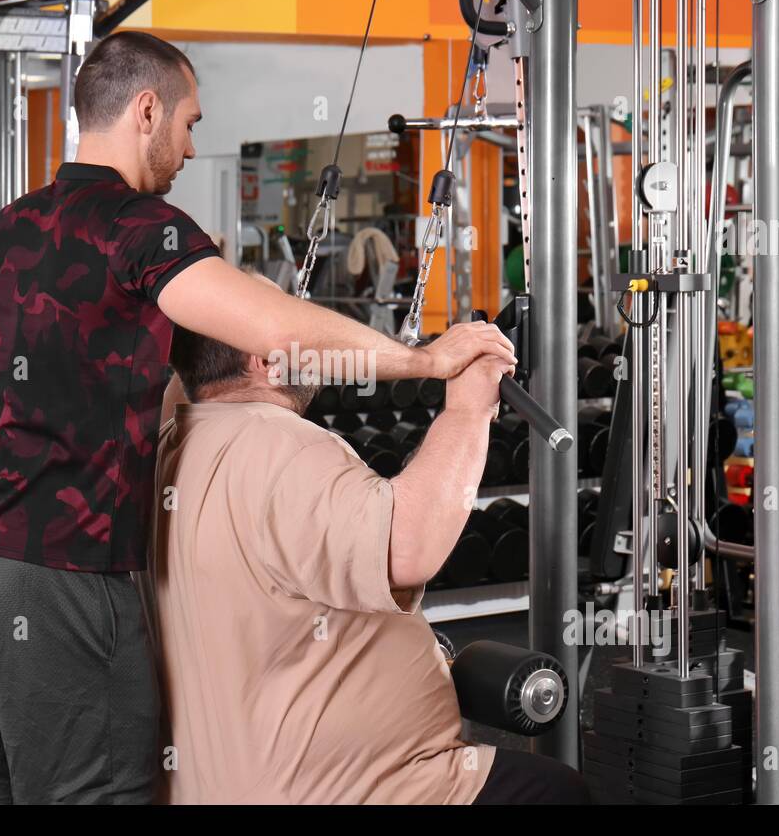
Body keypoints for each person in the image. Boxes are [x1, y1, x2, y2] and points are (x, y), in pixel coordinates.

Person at [0, 30, 516, 804]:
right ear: (147, 111)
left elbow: (87, 369)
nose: (186, 145)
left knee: (10, 792)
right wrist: (427, 361)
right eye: (189, 123)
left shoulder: (13, 223)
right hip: (60, 571)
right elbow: (272, 328)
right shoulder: (143, 225)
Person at [148, 277, 590, 804]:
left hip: (221, 783)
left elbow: (188, 374)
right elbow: (406, 551)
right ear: (263, 360)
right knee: (557, 792)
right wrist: (468, 409)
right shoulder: (277, 444)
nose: (314, 348)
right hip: (350, 787)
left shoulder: (172, 445)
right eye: (294, 331)